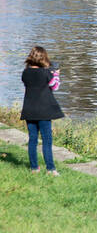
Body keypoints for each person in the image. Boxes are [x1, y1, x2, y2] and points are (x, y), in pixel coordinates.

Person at [21, 44, 64, 175]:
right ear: (43, 58)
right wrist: (56, 75)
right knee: (47, 140)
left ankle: (34, 168)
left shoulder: (25, 73)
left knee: (32, 139)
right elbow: (54, 86)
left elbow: (29, 84)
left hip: (29, 110)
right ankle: (50, 169)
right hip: (44, 111)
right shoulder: (46, 73)